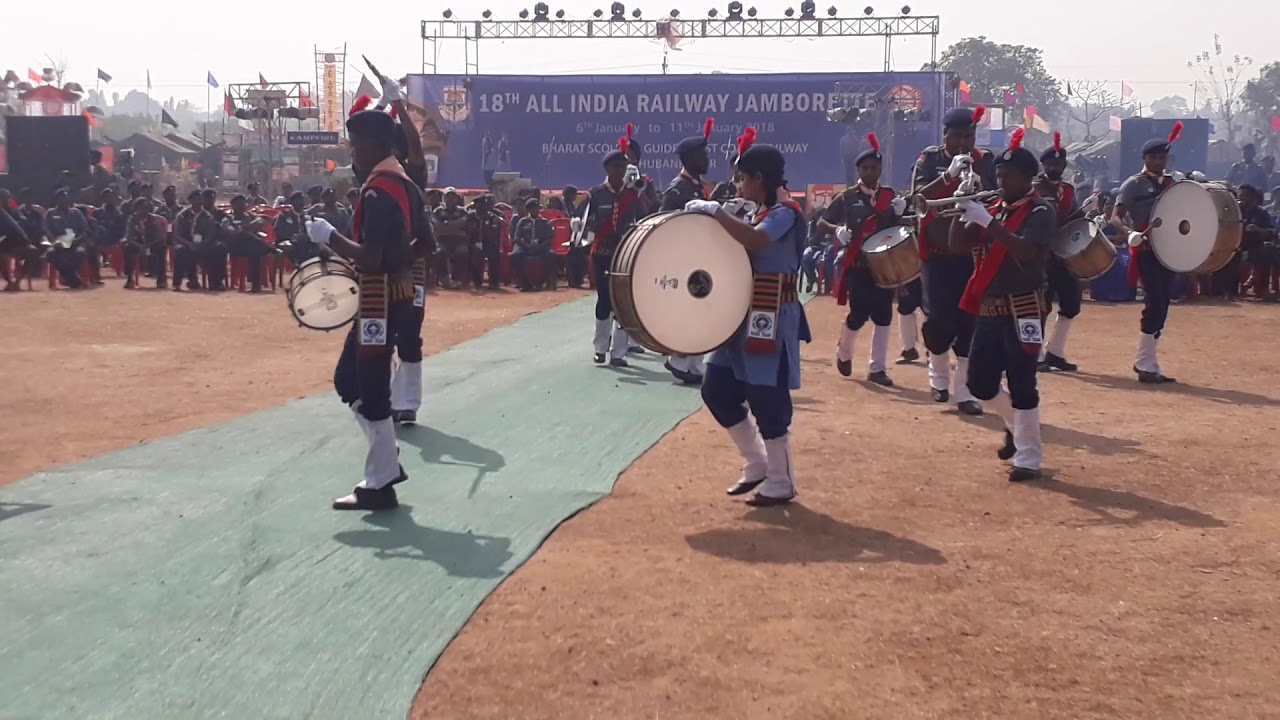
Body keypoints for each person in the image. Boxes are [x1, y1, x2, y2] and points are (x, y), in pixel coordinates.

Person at [683, 127, 811, 507]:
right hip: (739, 313)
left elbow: (756, 240)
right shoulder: (758, 212)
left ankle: (781, 479)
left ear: (760, 178)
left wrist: (715, 211)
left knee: (766, 396)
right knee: (716, 389)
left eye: (742, 178)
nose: (737, 185)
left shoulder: (786, 213)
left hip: (770, 314)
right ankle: (756, 462)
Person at [305, 106, 421, 511]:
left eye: (355, 145)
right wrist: (401, 265)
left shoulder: (377, 191)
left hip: (376, 300)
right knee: (356, 382)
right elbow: (425, 243)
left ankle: (381, 480)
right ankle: (385, 464)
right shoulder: (405, 184)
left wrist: (330, 237)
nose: (352, 153)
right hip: (397, 294)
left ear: (372, 144)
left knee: (363, 386)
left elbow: (371, 258)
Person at [948, 128, 1053, 482]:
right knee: (979, 383)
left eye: (1008, 177)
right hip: (990, 308)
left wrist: (987, 221)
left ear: (1027, 178)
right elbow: (958, 246)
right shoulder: (994, 209)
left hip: (1025, 306)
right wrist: (962, 208)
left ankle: (1029, 457)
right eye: (999, 176)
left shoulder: (1041, 210)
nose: (1001, 182)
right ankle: (1013, 425)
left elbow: (1025, 250)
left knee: (1023, 381)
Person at [911, 106, 997, 416]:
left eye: (969, 137)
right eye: (957, 136)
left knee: (969, 324)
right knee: (939, 323)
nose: (963, 143)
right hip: (937, 256)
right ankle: (938, 377)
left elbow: (997, 198)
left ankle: (963, 392)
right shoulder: (929, 159)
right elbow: (917, 199)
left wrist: (980, 190)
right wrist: (948, 176)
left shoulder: (985, 161)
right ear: (945, 135)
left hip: (972, 256)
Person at [821, 132, 908, 387]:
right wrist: (837, 230)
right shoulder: (847, 197)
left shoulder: (890, 196)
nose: (870, 172)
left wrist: (902, 213)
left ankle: (877, 368)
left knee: (884, 315)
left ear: (881, 169)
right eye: (865, 168)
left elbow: (899, 230)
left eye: (874, 168)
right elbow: (823, 222)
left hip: (885, 266)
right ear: (858, 170)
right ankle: (844, 352)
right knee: (859, 313)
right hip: (858, 265)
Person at [1112, 122, 1183, 384]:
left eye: (1162, 157)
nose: (1158, 161)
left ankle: (1150, 363)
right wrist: (1130, 231)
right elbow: (1115, 216)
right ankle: (1144, 363)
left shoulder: (1173, 184)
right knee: (1154, 302)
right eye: (1154, 157)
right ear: (1145, 159)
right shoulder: (1134, 184)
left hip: (1169, 249)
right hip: (1146, 249)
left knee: (1163, 302)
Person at [575, 138, 648, 367]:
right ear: (607, 169)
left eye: (623, 167)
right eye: (616, 167)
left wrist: (640, 191)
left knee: (623, 301)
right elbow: (584, 220)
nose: (620, 171)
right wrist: (585, 230)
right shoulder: (596, 194)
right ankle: (600, 347)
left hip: (625, 251)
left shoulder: (632, 194)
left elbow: (643, 216)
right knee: (605, 299)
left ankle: (619, 352)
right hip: (603, 251)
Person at [658, 118, 716, 385]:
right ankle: (678, 359)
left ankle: (692, 364)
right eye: (702, 155)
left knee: (700, 309)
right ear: (689, 158)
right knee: (689, 310)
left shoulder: (695, 186)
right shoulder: (677, 189)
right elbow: (664, 226)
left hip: (699, 258)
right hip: (684, 260)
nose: (707, 159)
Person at [1034, 132, 1083, 372]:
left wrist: (1084, 213)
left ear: (1064, 165)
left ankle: (1055, 351)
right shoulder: (1034, 188)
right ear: (1043, 165)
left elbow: (1072, 220)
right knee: (1041, 306)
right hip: (1041, 256)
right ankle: (1036, 355)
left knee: (1071, 303)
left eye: (1058, 163)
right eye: (1050, 163)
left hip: (1063, 257)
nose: (1054, 167)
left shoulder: (1069, 190)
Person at [222, 195, 273, 292]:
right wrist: (242, 231)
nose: (242, 207)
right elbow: (230, 231)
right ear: (233, 206)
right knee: (255, 246)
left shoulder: (250, 216)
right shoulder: (228, 218)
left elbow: (263, 220)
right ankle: (269, 249)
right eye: (239, 205)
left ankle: (256, 284)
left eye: (243, 204)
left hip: (250, 246)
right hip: (236, 246)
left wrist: (248, 226)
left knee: (255, 250)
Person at [45, 189, 91, 289]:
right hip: (58, 243)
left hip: (75, 243)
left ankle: (68, 277)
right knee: (50, 253)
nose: (64, 200)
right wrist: (55, 242)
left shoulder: (76, 213)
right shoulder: (50, 213)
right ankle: (73, 279)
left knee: (80, 253)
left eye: (66, 198)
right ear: (57, 200)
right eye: (61, 198)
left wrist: (77, 240)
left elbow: (85, 230)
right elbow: (47, 230)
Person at [510, 197, 558, 291]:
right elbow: (517, 237)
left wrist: (541, 245)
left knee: (551, 255)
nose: (535, 210)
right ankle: (524, 283)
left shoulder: (545, 222)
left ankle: (549, 281)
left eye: (537, 208)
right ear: (528, 210)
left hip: (541, 246)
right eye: (532, 209)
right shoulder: (522, 222)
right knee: (515, 255)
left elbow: (550, 238)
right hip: (525, 246)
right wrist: (526, 245)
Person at [172, 190, 215, 291]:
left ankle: (214, 282)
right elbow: (177, 235)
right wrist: (189, 243)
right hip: (185, 243)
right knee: (180, 250)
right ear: (190, 201)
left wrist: (202, 243)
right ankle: (177, 283)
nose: (199, 202)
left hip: (203, 244)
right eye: (196, 199)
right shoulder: (182, 215)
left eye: (201, 199)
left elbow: (210, 234)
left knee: (215, 250)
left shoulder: (208, 216)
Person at [1239, 185, 1276, 298]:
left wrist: (1257, 229)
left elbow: (1271, 233)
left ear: (1253, 197)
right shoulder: (1236, 211)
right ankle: (1228, 291)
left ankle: (1259, 286)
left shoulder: (1262, 213)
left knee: (1267, 250)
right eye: (1240, 195)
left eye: (1244, 196)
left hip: (1254, 247)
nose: (1241, 198)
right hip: (1234, 246)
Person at [123, 198, 168, 289]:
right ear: (136, 208)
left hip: (151, 243)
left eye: (146, 208)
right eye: (141, 208)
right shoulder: (132, 219)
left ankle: (161, 279)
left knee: (162, 248)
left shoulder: (154, 219)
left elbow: (159, 237)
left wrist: (147, 246)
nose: (143, 210)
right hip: (137, 244)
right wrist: (140, 246)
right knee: (127, 247)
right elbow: (129, 237)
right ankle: (130, 278)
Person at [432, 188, 470, 289]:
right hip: (442, 240)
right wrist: (454, 227)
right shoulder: (438, 211)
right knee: (440, 252)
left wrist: (446, 225)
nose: (450, 199)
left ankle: (456, 279)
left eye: (453, 197)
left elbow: (463, 222)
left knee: (462, 252)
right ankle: (443, 278)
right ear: (444, 198)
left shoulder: (462, 211)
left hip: (458, 241)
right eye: (448, 197)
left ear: (457, 199)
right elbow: (436, 225)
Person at [468, 194, 504, 290]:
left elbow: (493, 234)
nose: (482, 208)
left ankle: (494, 282)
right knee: (474, 252)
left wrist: (485, 222)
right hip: (473, 243)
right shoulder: (470, 216)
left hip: (489, 243)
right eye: (479, 205)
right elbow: (466, 232)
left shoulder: (493, 217)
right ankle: (477, 281)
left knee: (494, 253)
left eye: (484, 205)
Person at [274, 192, 315, 266]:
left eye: (302, 200)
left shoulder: (307, 216)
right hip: (288, 241)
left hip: (304, 243)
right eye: (298, 201)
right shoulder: (284, 215)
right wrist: (293, 238)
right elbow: (278, 230)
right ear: (292, 202)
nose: (301, 203)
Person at [561, 185, 588, 288]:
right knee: (574, 252)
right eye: (574, 194)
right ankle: (574, 280)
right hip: (563, 235)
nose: (575, 196)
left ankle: (578, 278)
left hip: (574, 235)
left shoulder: (573, 205)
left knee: (580, 250)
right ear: (568, 194)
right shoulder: (561, 204)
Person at [896, 279, 923, 363]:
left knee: (929, 310)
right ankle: (909, 350)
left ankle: (932, 353)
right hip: (907, 277)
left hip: (929, 273)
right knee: (905, 308)